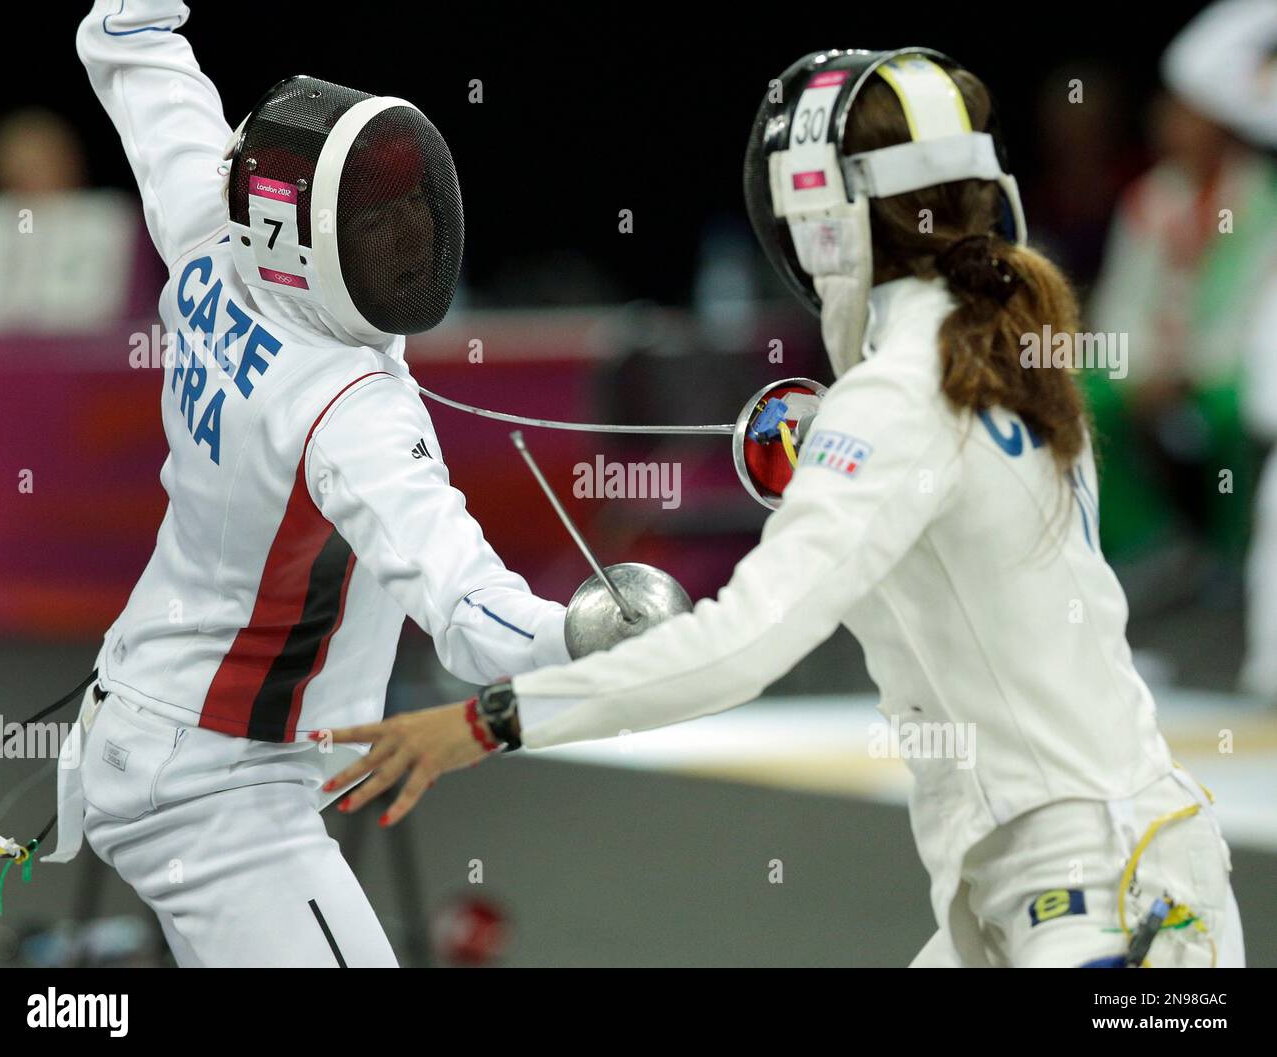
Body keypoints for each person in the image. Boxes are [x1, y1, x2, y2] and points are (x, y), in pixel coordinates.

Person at [324, 48, 1246, 968]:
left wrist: (485, 719)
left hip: (1102, 901)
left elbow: (744, 642)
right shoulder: (998, 355)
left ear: (823, 216)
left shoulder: (904, 393)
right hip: (1065, 878)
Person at [46, 0, 570, 968]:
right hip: (218, 790)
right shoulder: (346, 407)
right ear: (297, 236)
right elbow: (470, 616)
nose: (412, 239)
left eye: (409, 209)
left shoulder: (213, 236)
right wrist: (590, 633)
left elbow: (130, 48)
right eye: (376, 219)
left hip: (151, 716)